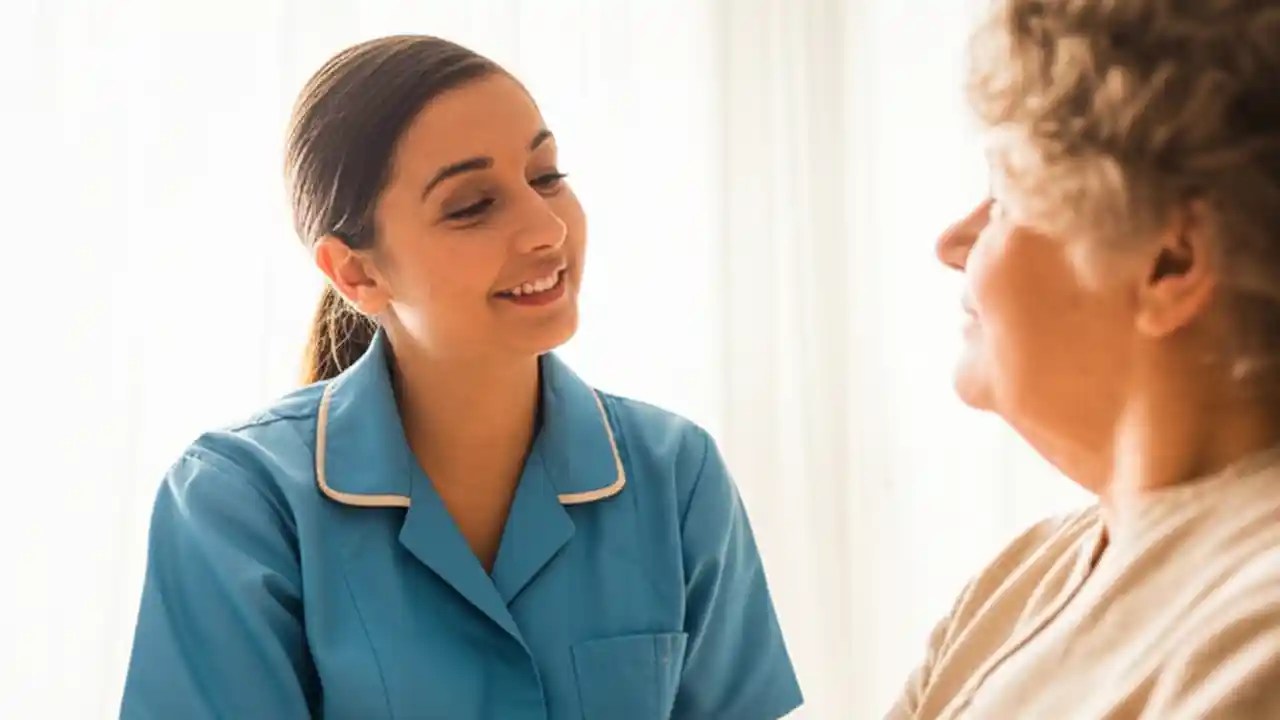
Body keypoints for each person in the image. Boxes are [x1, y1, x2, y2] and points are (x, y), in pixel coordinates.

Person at [120, 35, 802, 720]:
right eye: (472, 205)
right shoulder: (239, 501)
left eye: (546, 176)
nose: (545, 229)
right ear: (356, 272)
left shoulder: (675, 476)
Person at [889, 1, 1280, 718]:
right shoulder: (1011, 587)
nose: (952, 243)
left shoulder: (1260, 642)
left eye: (1003, 197)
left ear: (1171, 262)